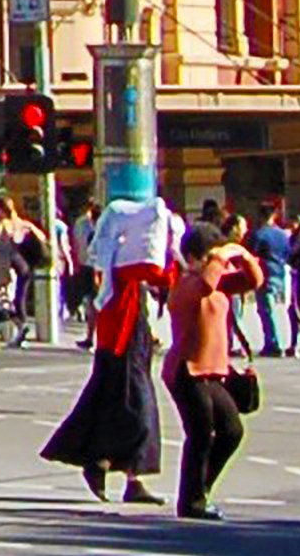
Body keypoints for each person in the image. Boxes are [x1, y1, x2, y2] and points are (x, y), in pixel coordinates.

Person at [41, 193, 172, 505]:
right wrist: (177, 253)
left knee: (118, 409)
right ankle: (109, 465)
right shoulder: (123, 258)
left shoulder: (122, 256)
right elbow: (160, 274)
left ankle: (126, 474)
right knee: (137, 411)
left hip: (129, 341)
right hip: (120, 344)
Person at [169, 207, 263, 518]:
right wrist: (220, 258)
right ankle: (191, 502)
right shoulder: (186, 284)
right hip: (187, 370)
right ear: (193, 258)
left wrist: (242, 255)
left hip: (214, 372)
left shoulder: (220, 282)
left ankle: (201, 488)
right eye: (208, 257)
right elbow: (206, 286)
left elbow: (254, 280)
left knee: (231, 431)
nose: (217, 264)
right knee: (200, 434)